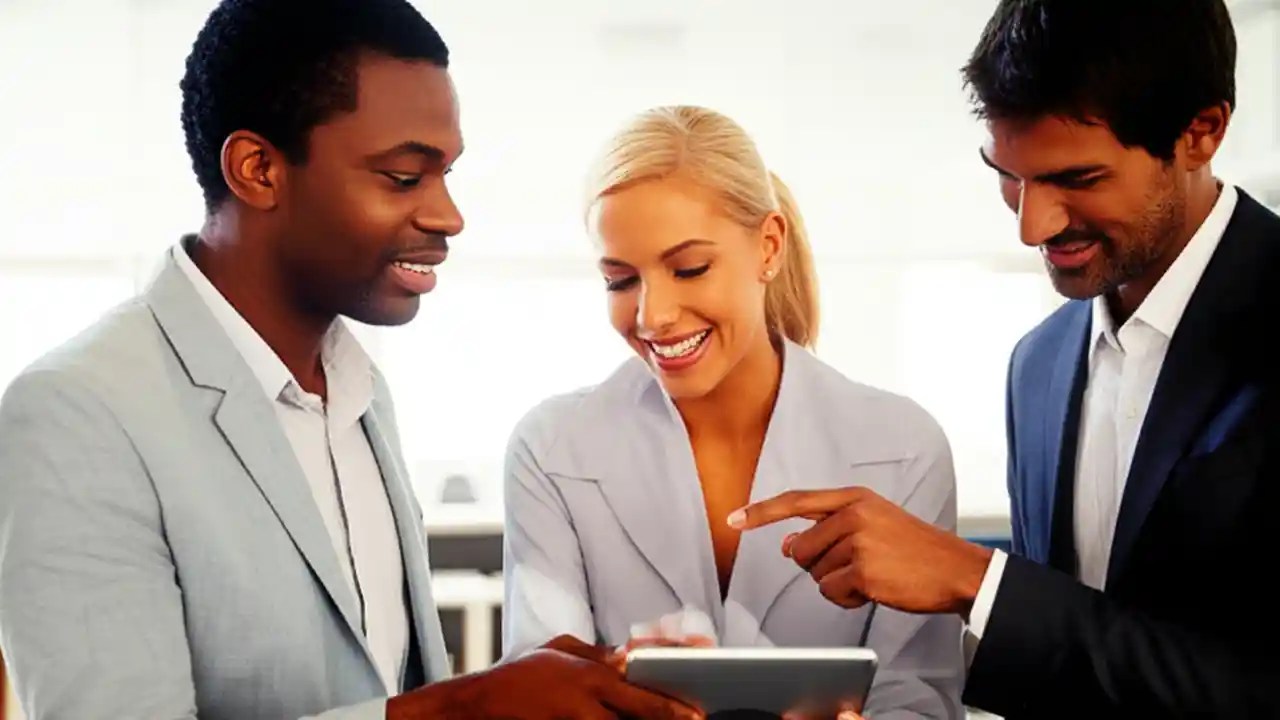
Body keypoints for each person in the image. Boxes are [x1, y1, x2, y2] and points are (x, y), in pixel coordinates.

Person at [0, 2, 701, 719]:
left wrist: (564, 687)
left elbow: (375, 691)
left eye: (446, 173)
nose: (448, 215)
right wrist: (464, 711)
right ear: (258, 170)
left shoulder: (359, 390)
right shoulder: (76, 413)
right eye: (404, 177)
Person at [729, 0, 1280, 716]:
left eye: (1076, 180)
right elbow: (1072, 658)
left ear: (1201, 132)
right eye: (1009, 175)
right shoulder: (1040, 365)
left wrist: (976, 580)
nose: (1032, 227)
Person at [501, 105, 965, 718]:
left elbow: (918, 695)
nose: (652, 315)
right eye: (620, 281)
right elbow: (544, 690)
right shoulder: (552, 448)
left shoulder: (903, 447)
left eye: (689, 268)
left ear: (768, 247)